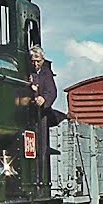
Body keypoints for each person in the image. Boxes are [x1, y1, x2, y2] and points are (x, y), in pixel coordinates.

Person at [28, 45, 57, 185]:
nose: (35, 64)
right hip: (27, 112)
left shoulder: (46, 73)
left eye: (38, 61)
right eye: (33, 61)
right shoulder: (27, 72)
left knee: (41, 146)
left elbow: (52, 91)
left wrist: (43, 99)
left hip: (42, 114)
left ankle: (41, 177)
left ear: (42, 59)